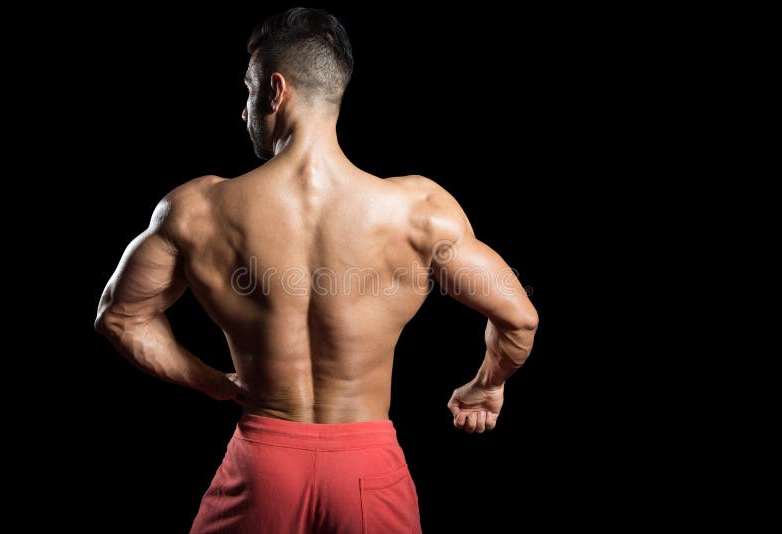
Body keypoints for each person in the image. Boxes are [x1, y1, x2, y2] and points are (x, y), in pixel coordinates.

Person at [94, 7, 538, 533]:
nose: (243, 111)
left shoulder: (197, 211)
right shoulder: (420, 211)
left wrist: (212, 382)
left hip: (264, 466)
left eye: (248, 90)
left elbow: (120, 318)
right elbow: (519, 320)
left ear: (275, 91)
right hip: (368, 468)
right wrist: (486, 387)